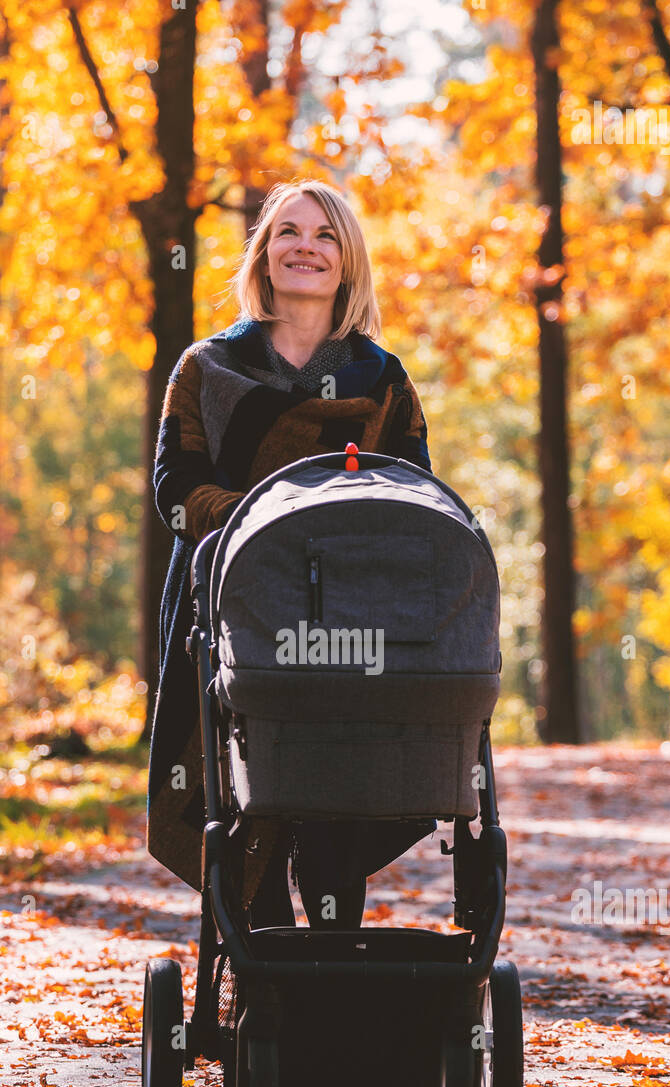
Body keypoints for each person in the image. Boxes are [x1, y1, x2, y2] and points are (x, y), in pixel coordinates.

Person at [146, 179, 434, 929]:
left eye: (325, 236)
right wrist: (265, 530)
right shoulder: (207, 368)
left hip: (349, 623)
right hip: (228, 610)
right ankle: (258, 989)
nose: (305, 246)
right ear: (264, 254)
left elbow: (415, 495)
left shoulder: (383, 380)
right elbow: (176, 488)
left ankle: (330, 985)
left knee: (336, 809)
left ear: (347, 263)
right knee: (237, 805)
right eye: (288, 232)